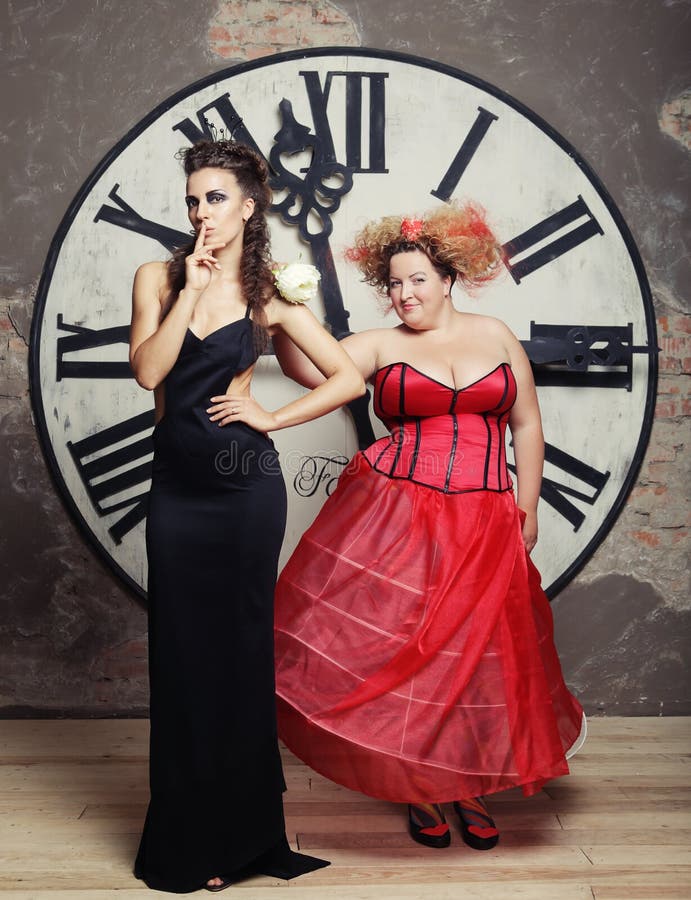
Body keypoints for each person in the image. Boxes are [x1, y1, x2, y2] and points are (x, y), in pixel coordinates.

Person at [272, 203, 586, 851]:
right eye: (392, 283)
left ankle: (462, 783)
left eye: (415, 280)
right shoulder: (379, 343)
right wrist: (284, 313)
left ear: (447, 280)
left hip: (485, 514)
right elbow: (309, 371)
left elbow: (525, 424)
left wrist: (524, 506)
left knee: (470, 657)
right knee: (407, 652)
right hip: (399, 515)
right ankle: (419, 787)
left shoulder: (494, 333)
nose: (403, 294)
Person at [129, 138, 365, 893]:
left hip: (243, 491)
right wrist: (192, 293)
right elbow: (148, 373)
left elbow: (349, 378)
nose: (201, 211)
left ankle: (241, 840)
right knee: (180, 659)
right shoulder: (158, 278)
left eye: (216, 197)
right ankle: (188, 839)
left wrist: (271, 417)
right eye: (193, 199)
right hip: (177, 492)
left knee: (237, 659)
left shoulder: (269, 295)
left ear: (249, 205)